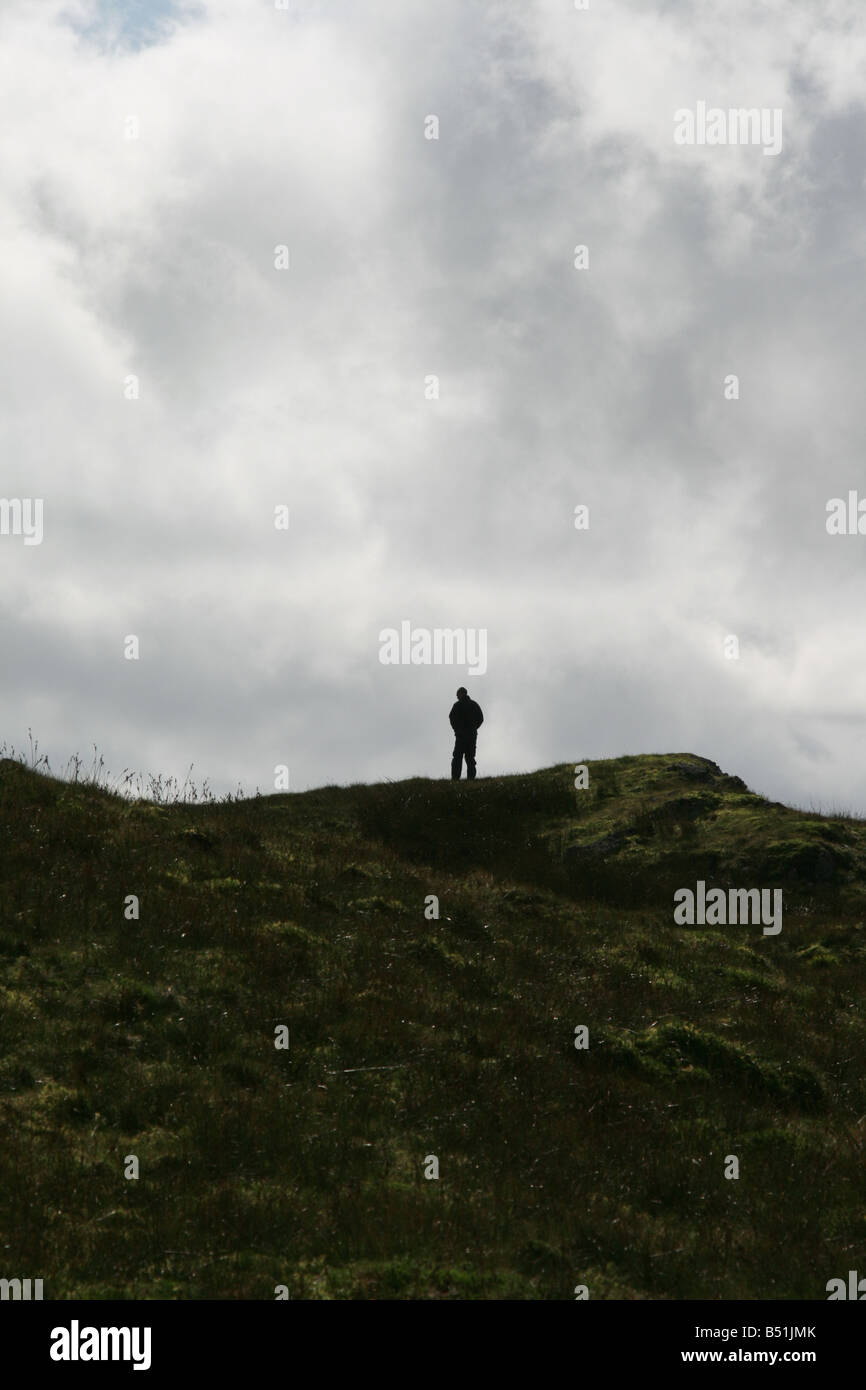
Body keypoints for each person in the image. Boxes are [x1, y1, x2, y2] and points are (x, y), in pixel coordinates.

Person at [449, 687, 483, 780]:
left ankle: (455, 779)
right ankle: (470, 779)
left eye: (457, 694)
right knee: (470, 758)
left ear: (461, 694)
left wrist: (457, 730)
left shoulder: (457, 705)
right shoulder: (474, 704)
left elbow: (452, 719)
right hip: (471, 736)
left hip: (461, 736)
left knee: (457, 758)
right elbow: (481, 719)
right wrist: (474, 729)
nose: (457, 696)